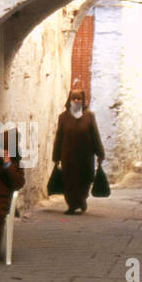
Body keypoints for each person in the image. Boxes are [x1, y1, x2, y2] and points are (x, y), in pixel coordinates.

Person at [52, 84, 104, 214]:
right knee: (69, 180)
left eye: (78, 99)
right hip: (68, 156)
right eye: (74, 99)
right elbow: (59, 137)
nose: (76, 101)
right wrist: (56, 156)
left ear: (83, 100)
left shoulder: (89, 116)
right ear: (69, 100)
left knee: (85, 178)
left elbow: (95, 135)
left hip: (86, 155)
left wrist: (100, 153)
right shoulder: (63, 117)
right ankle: (71, 205)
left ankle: (82, 200)